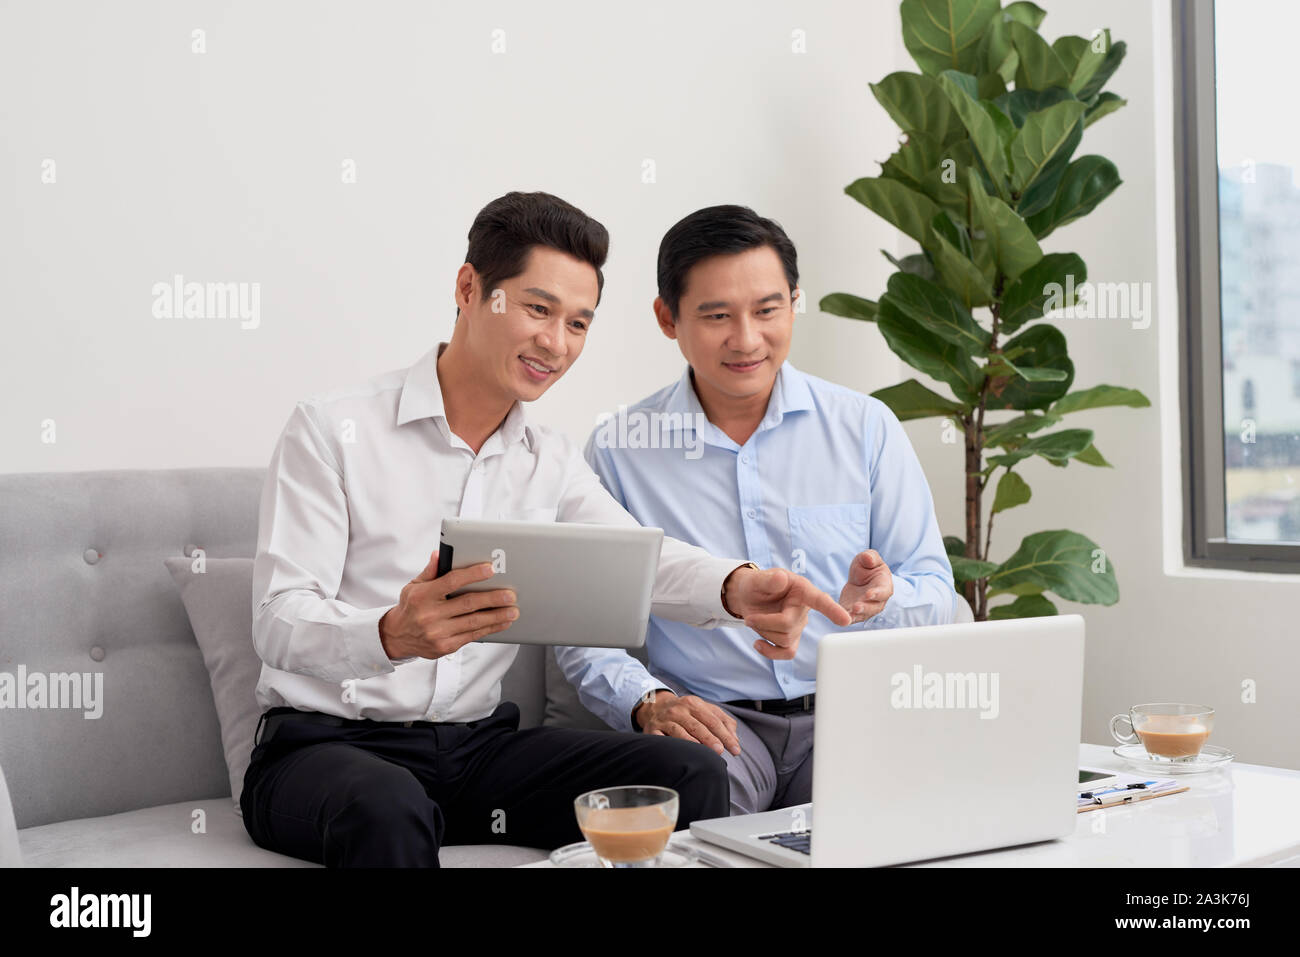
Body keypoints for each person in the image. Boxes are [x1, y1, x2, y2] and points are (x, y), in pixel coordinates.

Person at [240, 191, 852, 866]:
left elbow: (639, 561)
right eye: (538, 309)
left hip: (475, 752)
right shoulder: (333, 430)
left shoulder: (550, 459)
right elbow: (276, 618)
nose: (556, 344)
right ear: (470, 288)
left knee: (689, 771)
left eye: (579, 323)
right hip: (326, 749)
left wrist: (739, 587)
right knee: (387, 805)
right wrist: (391, 633)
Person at [556, 204, 958, 816]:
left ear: (795, 302)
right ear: (667, 318)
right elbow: (585, 627)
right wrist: (647, 700)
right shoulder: (619, 449)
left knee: (886, 829)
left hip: (850, 715)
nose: (746, 340)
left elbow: (935, 591)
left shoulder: (865, 428)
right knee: (705, 837)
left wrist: (883, 601)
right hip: (714, 728)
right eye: (716, 316)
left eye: (768, 310)